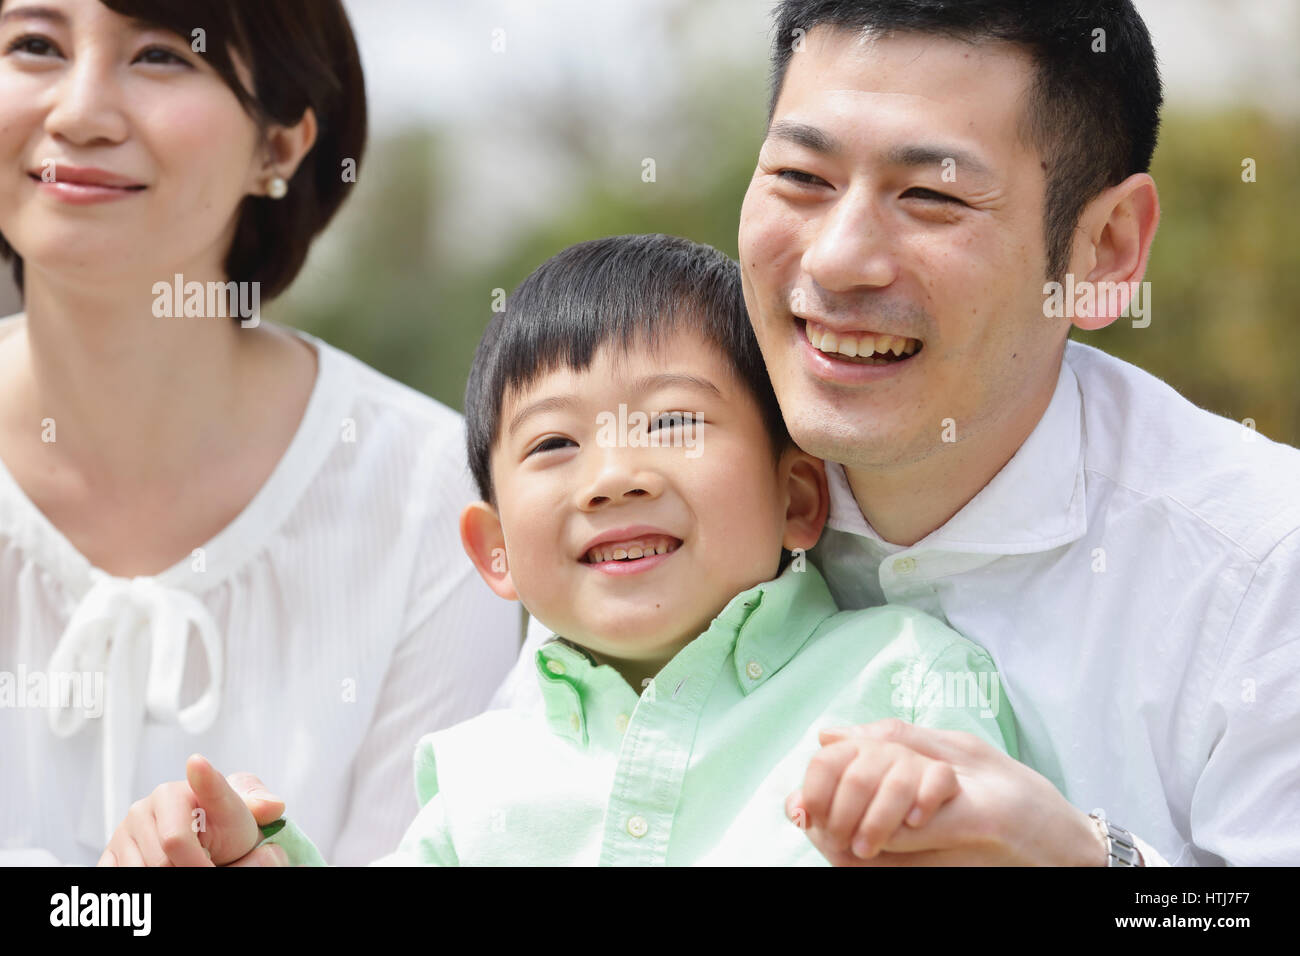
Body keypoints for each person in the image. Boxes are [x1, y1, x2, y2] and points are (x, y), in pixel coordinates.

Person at [498, 0, 1300, 867]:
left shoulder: (1261, 568)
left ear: (1102, 252)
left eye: (931, 195)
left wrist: (1087, 860)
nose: (839, 260)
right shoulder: (667, 486)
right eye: (802, 178)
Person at [98, 233, 1018, 866]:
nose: (613, 477)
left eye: (675, 420)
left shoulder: (907, 680)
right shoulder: (475, 773)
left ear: (798, 495)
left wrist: (929, 816)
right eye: (553, 445)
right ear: (495, 551)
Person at [0, 0, 518, 866]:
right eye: (34, 44)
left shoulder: (432, 499)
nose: (81, 112)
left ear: (279, 145)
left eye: (162, 55)